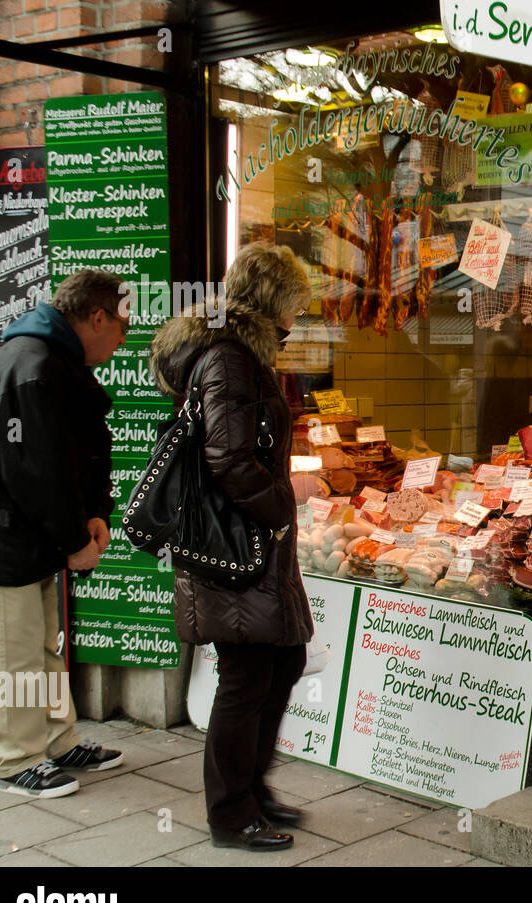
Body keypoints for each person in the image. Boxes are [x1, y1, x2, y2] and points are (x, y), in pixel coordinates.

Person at [150, 242, 314, 852]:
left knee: (283, 661)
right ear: (276, 301)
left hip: (249, 541)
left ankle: (252, 790)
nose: (299, 317)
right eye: (295, 303)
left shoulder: (241, 353)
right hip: (234, 543)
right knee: (246, 676)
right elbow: (227, 458)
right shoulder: (229, 358)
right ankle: (230, 814)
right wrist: (281, 506)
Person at [0, 270, 128, 798]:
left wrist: (95, 514)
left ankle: (57, 742)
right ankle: (18, 760)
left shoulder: (51, 360)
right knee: (17, 655)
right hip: (4, 539)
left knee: (45, 646)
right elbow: (35, 472)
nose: (124, 338)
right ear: (97, 317)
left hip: (29, 535)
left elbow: (78, 453)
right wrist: (73, 538)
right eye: (122, 325)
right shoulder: (33, 368)